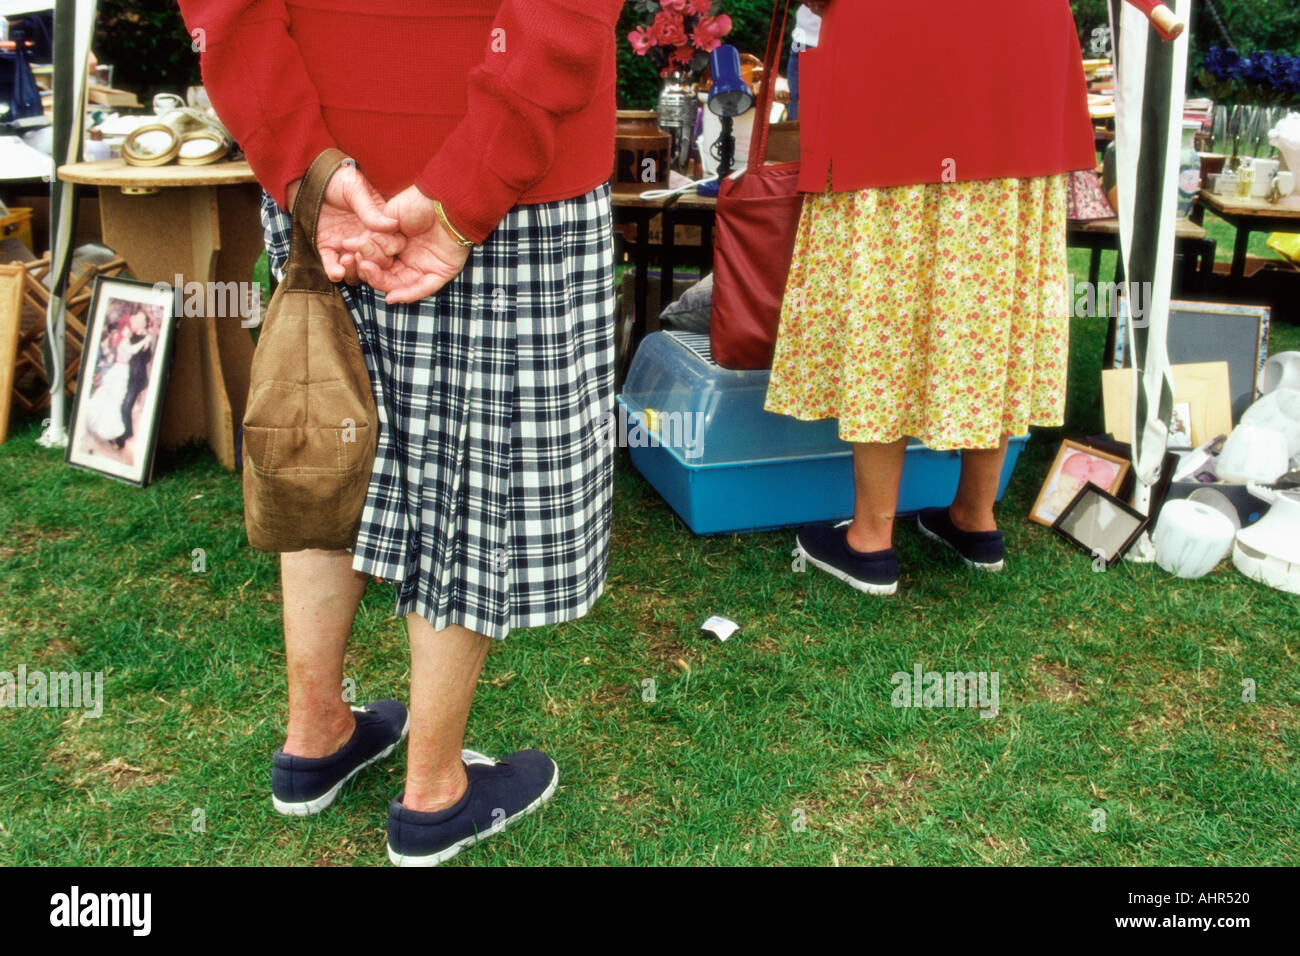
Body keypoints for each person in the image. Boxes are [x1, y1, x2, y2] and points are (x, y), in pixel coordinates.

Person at [179, 0, 625, 865]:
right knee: (473, 462)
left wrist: (301, 154)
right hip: (507, 166)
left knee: (327, 431)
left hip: (328, 162)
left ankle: (315, 739)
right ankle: (433, 791)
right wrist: (474, 176)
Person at [766, 0, 1095, 594]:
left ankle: (870, 538)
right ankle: (974, 516)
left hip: (896, 54)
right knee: (994, 289)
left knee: (885, 290)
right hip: (1022, 57)